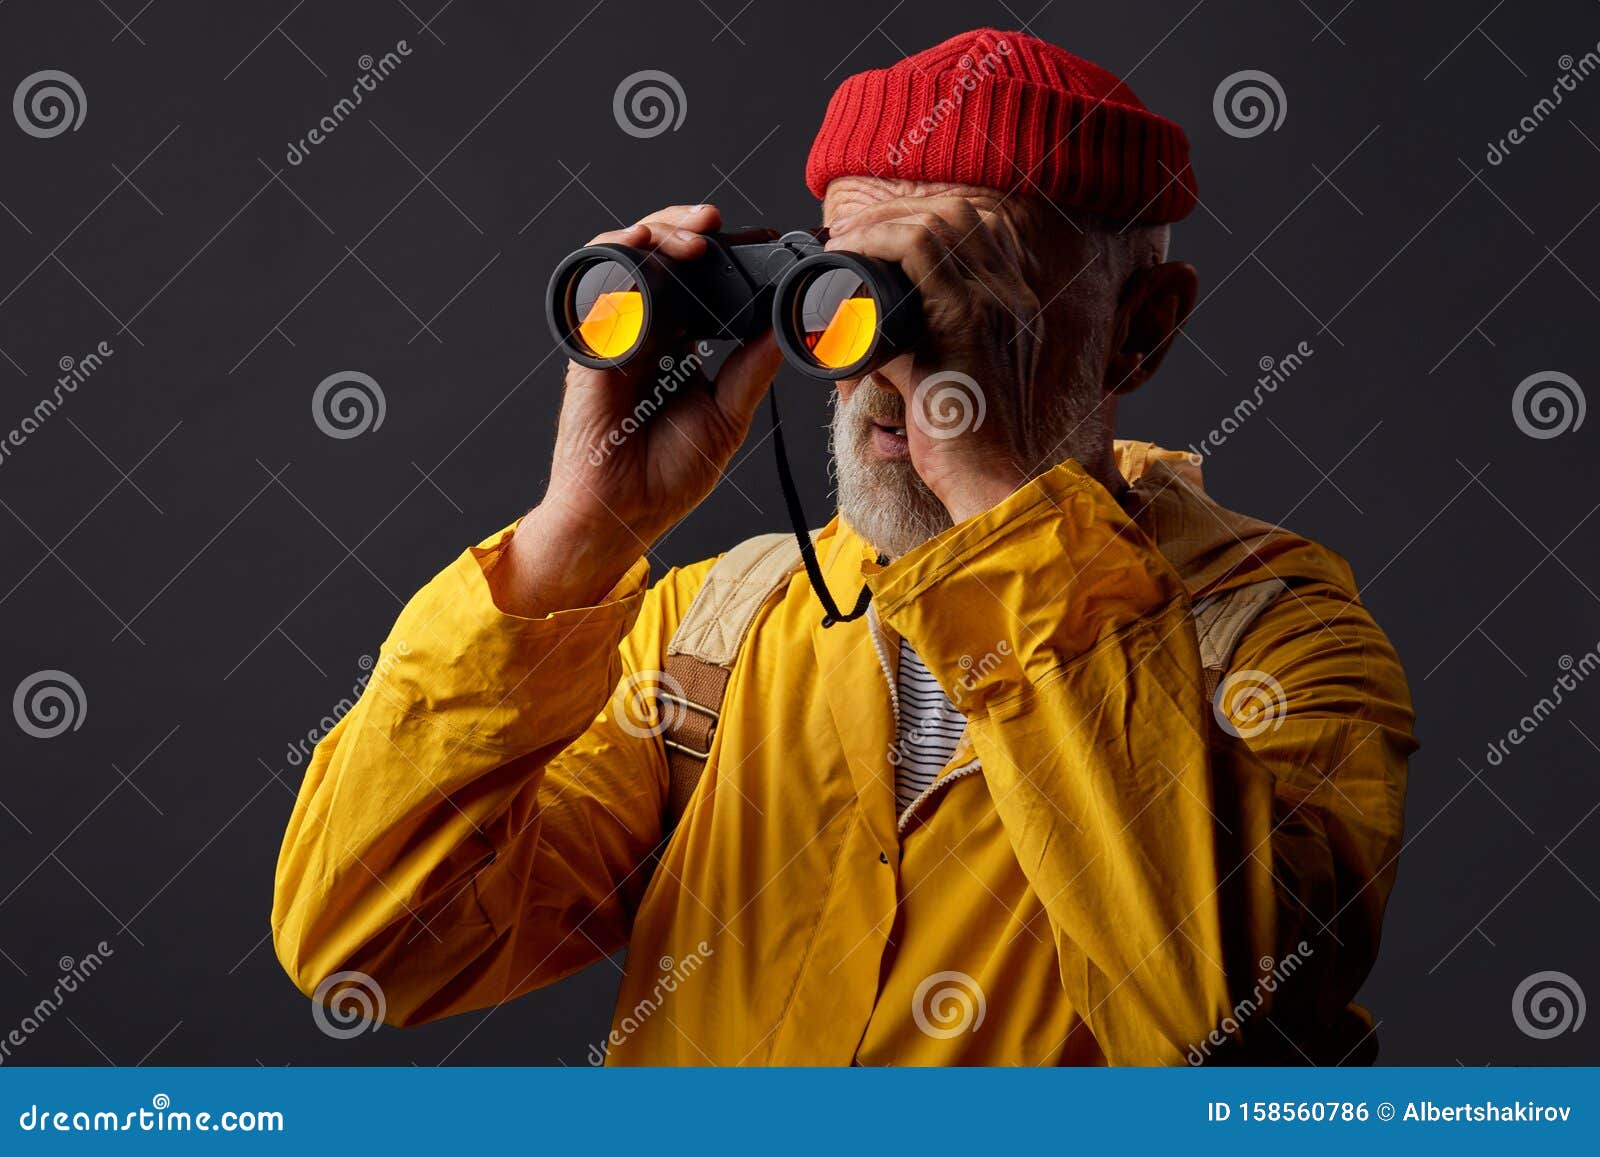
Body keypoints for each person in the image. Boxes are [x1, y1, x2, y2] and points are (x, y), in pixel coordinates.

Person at [271, 27, 1416, 1065]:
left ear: (1142, 326)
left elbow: (1232, 1039)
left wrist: (991, 481)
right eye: (866, 288)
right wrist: (576, 538)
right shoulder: (716, 635)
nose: (892, 359)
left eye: (976, 292)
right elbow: (365, 948)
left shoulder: (1275, 639)